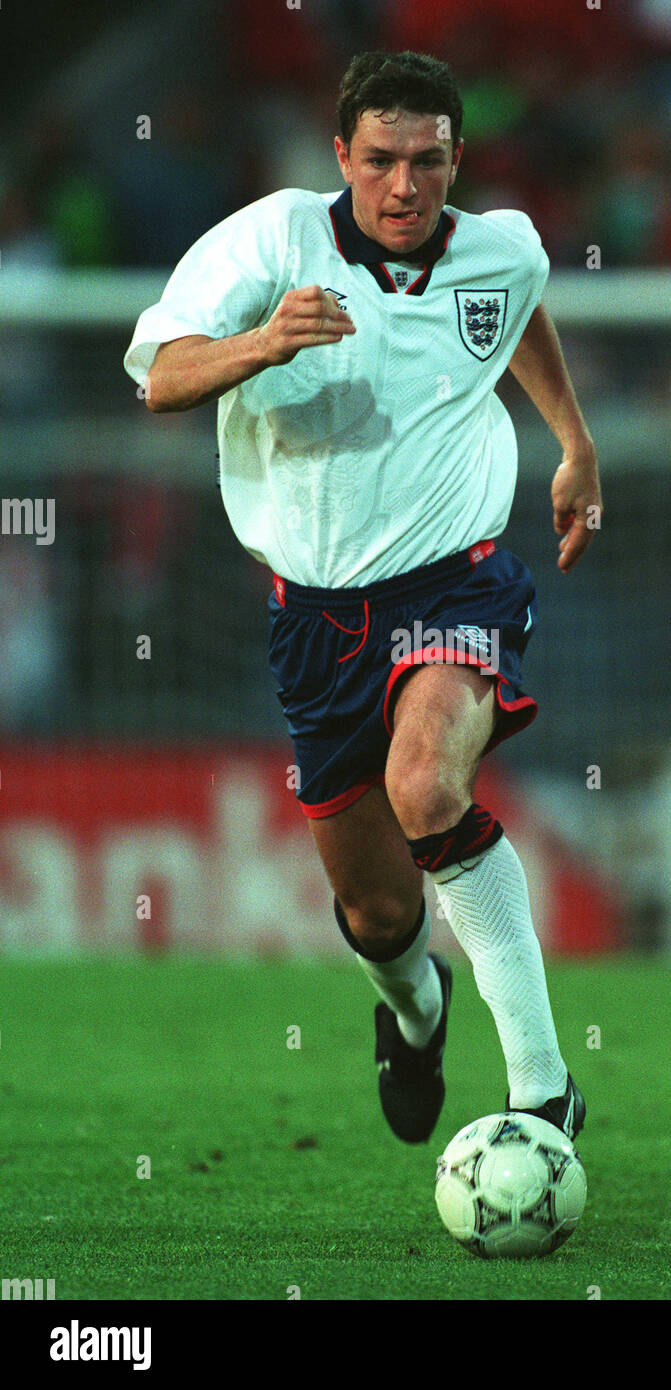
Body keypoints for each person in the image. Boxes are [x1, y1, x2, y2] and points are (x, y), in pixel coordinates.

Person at [124, 50, 601, 1143]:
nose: (405, 186)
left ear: (455, 158)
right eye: (381, 160)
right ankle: (415, 1007)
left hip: (455, 581)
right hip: (315, 615)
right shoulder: (270, 240)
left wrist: (574, 440)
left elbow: (517, 307)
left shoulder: (503, 245)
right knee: (380, 911)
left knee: (428, 785)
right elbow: (158, 376)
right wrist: (263, 342)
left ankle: (542, 1087)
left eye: (428, 161)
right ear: (341, 155)